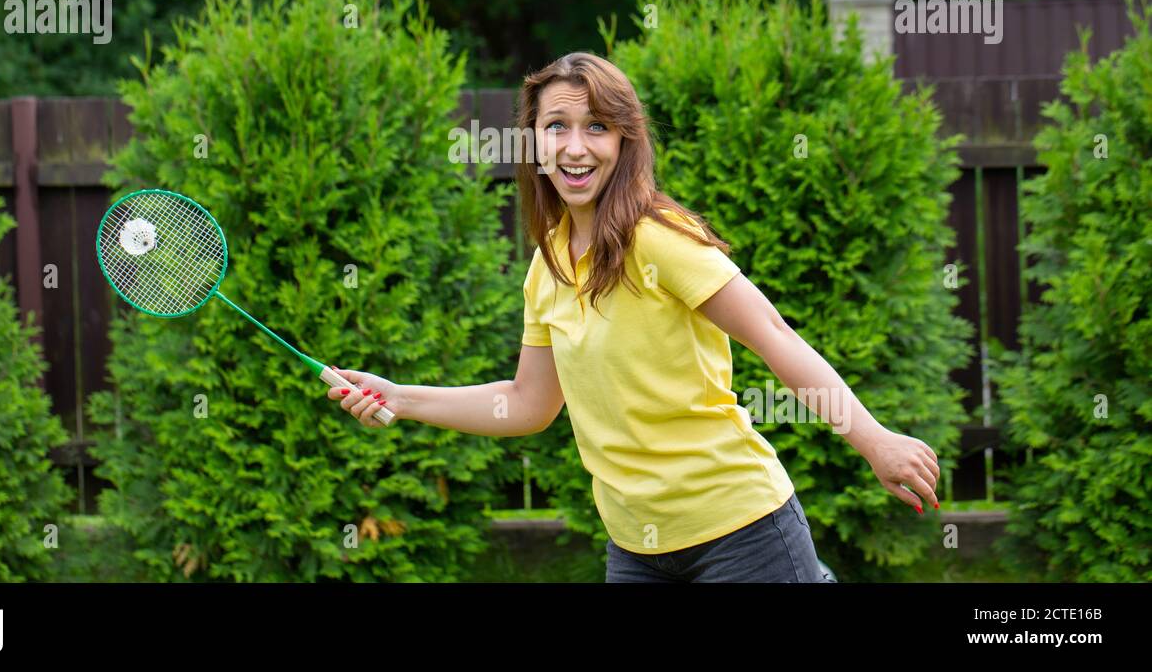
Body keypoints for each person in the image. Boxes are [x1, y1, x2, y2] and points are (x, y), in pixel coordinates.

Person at [327, 51, 940, 582]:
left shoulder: (659, 238)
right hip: (637, 550)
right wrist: (399, 399)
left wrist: (873, 440)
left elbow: (774, 336)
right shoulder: (547, 268)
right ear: (533, 142)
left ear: (624, 140)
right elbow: (527, 404)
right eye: (555, 126)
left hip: (741, 530)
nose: (574, 146)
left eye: (596, 126)